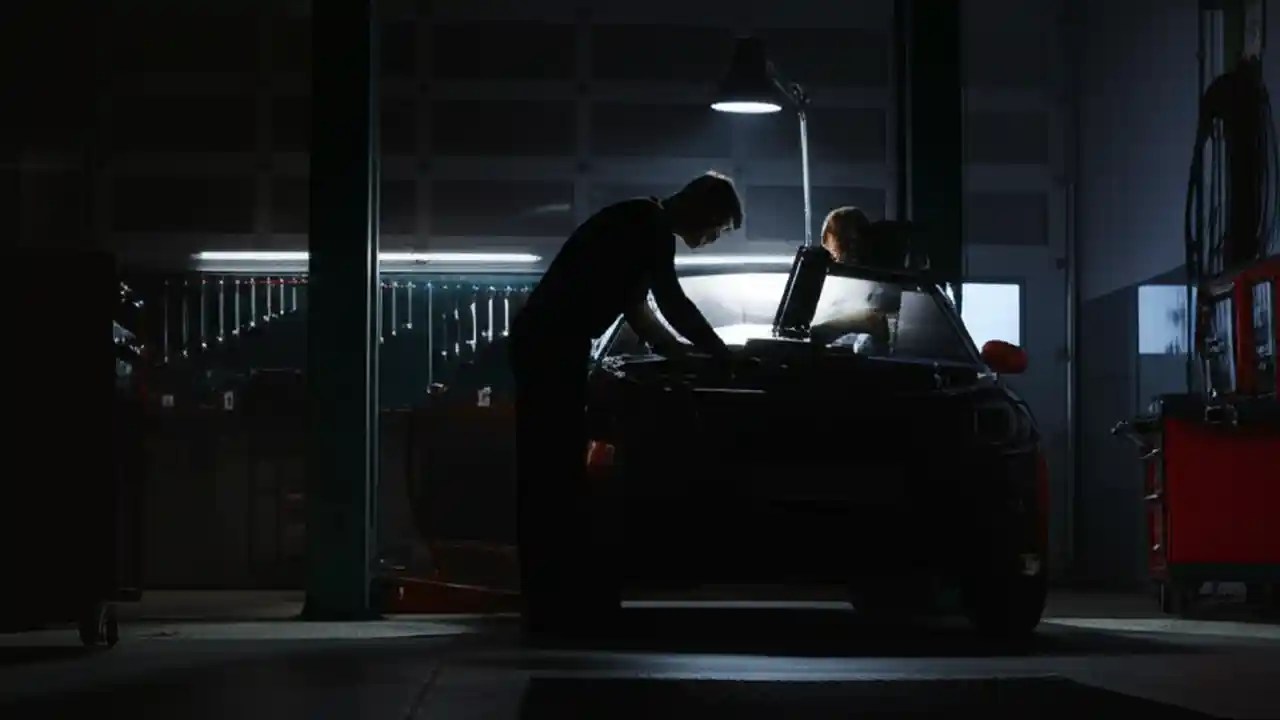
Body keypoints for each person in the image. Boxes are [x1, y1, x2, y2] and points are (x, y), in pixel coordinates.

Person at [507, 171, 743, 636]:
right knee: (554, 472)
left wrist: (680, 353)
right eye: (717, 228)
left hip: (546, 343)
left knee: (550, 471)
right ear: (702, 207)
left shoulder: (636, 219)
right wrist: (717, 353)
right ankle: (553, 601)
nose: (713, 239)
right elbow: (670, 302)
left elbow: (640, 309)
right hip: (553, 346)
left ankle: (549, 597)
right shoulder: (651, 227)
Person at [810, 206, 902, 352]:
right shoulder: (842, 283)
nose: (833, 259)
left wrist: (825, 329)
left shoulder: (887, 284)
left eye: (836, 250)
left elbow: (876, 321)